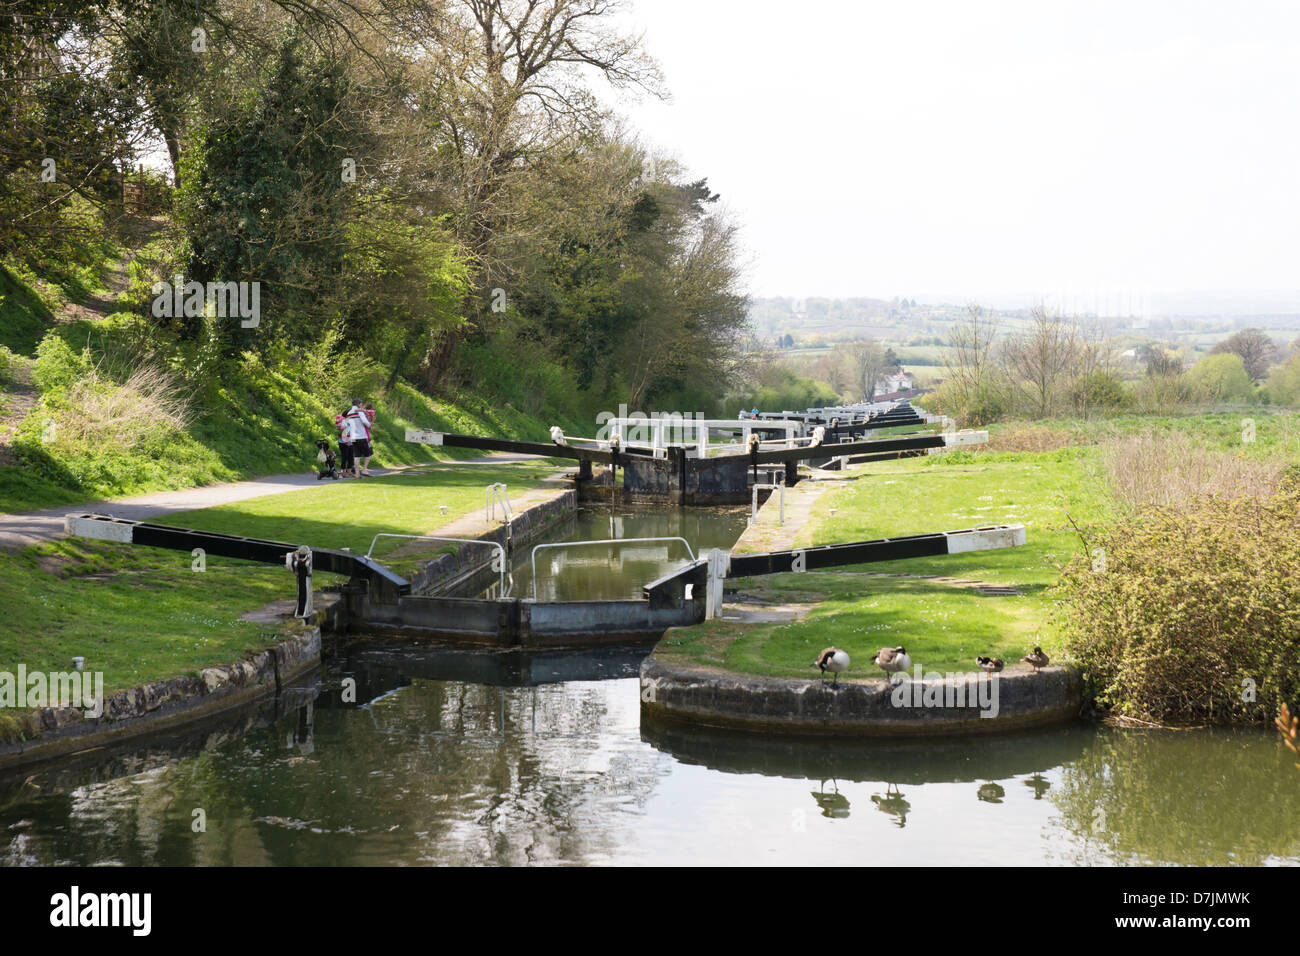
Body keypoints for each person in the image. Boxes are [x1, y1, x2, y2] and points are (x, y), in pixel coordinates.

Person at [343, 399, 373, 476]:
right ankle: (364, 470)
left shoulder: (349, 412)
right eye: (361, 404)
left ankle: (357, 474)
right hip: (362, 436)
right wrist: (369, 425)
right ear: (359, 404)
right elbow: (364, 421)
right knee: (369, 453)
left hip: (353, 437)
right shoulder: (359, 411)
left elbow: (345, 424)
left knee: (357, 455)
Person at [335, 413, 355, 478]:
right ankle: (343, 472)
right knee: (345, 457)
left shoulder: (349, 421)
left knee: (350, 457)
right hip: (343, 442)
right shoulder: (341, 421)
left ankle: (349, 471)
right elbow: (339, 431)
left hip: (350, 442)